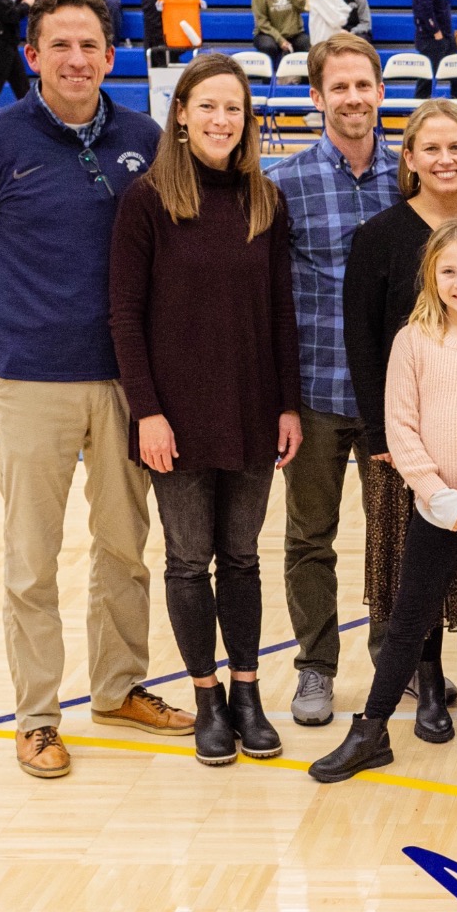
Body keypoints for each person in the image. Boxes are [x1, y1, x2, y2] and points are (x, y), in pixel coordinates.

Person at [0, 0, 192, 778]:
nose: (76, 59)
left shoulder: (146, 139)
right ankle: (38, 717)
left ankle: (119, 688)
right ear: (33, 56)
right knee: (31, 559)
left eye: (90, 46)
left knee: (125, 548)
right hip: (32, 383)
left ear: (111, 56)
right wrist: (21, 327)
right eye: (61, 46)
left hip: (128, 384)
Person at [109, 55, 302, 765]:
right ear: (182, 114)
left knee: (243, 558)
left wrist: (288, 404)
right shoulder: (146, 200)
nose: (223, 120)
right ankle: (207, 698)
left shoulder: (264, 200)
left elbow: (281, 311)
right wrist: (147, 413)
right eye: (209, 106)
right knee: (190, 562)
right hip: (176, 418)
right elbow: (124, 316)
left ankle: (248, 692)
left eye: (235, 108)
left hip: (253, 410)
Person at [311, 220, 457, 787]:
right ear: (431, 277)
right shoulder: (412, 342)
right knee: (408, 618)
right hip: (436, 507)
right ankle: (371, 730)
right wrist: (438, 495)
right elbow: (400, 424)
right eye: (449, 271)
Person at [344, 98, 457, 743]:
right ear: (410, 158)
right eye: (433, 148)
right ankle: (426, 685)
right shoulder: (379, 237)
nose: (447, 159)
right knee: (410, 574)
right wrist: (381, 440)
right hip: (408, 443)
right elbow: (362, 345)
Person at [268, 33, 402, 727]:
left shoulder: (410, 175)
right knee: (308, 539)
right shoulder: (285, 183)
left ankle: (393, 657)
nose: (353, 98)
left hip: (393, 401)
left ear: (381, 91)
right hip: (317, 397)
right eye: (339, 88)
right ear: (316, 98)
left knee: (394, 539)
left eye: (364, 85)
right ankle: (315, 668)